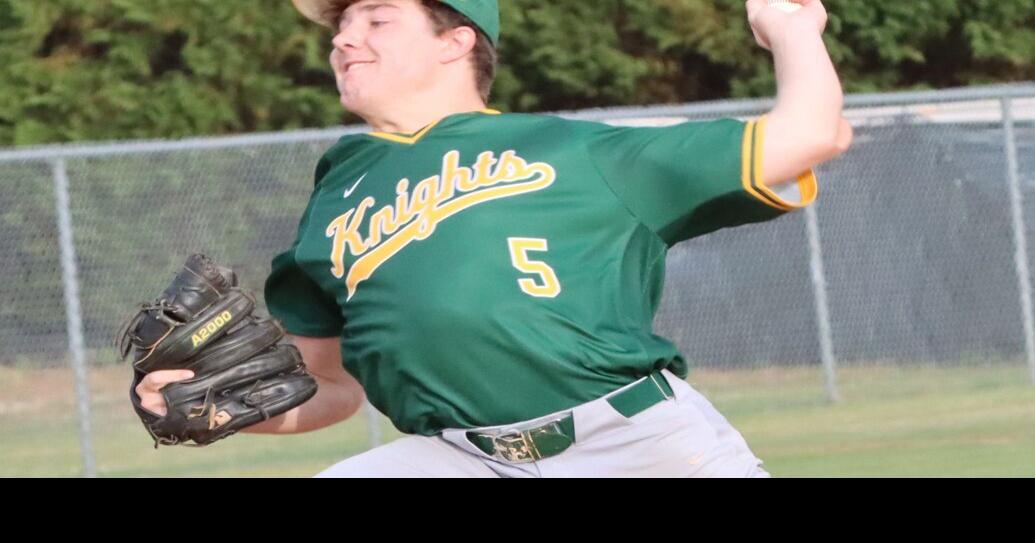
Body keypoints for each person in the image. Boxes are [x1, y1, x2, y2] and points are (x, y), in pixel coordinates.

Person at [135, 0, 852, 477]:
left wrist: (789, 29)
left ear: (457, 41)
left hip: (636, 446)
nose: (344, 38)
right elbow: (328, 387)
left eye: (377, 20)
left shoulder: (574, 151)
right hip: (463, 457)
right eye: (341, 28)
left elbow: (814, 132)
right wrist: (213, 408)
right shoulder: (338, 189)